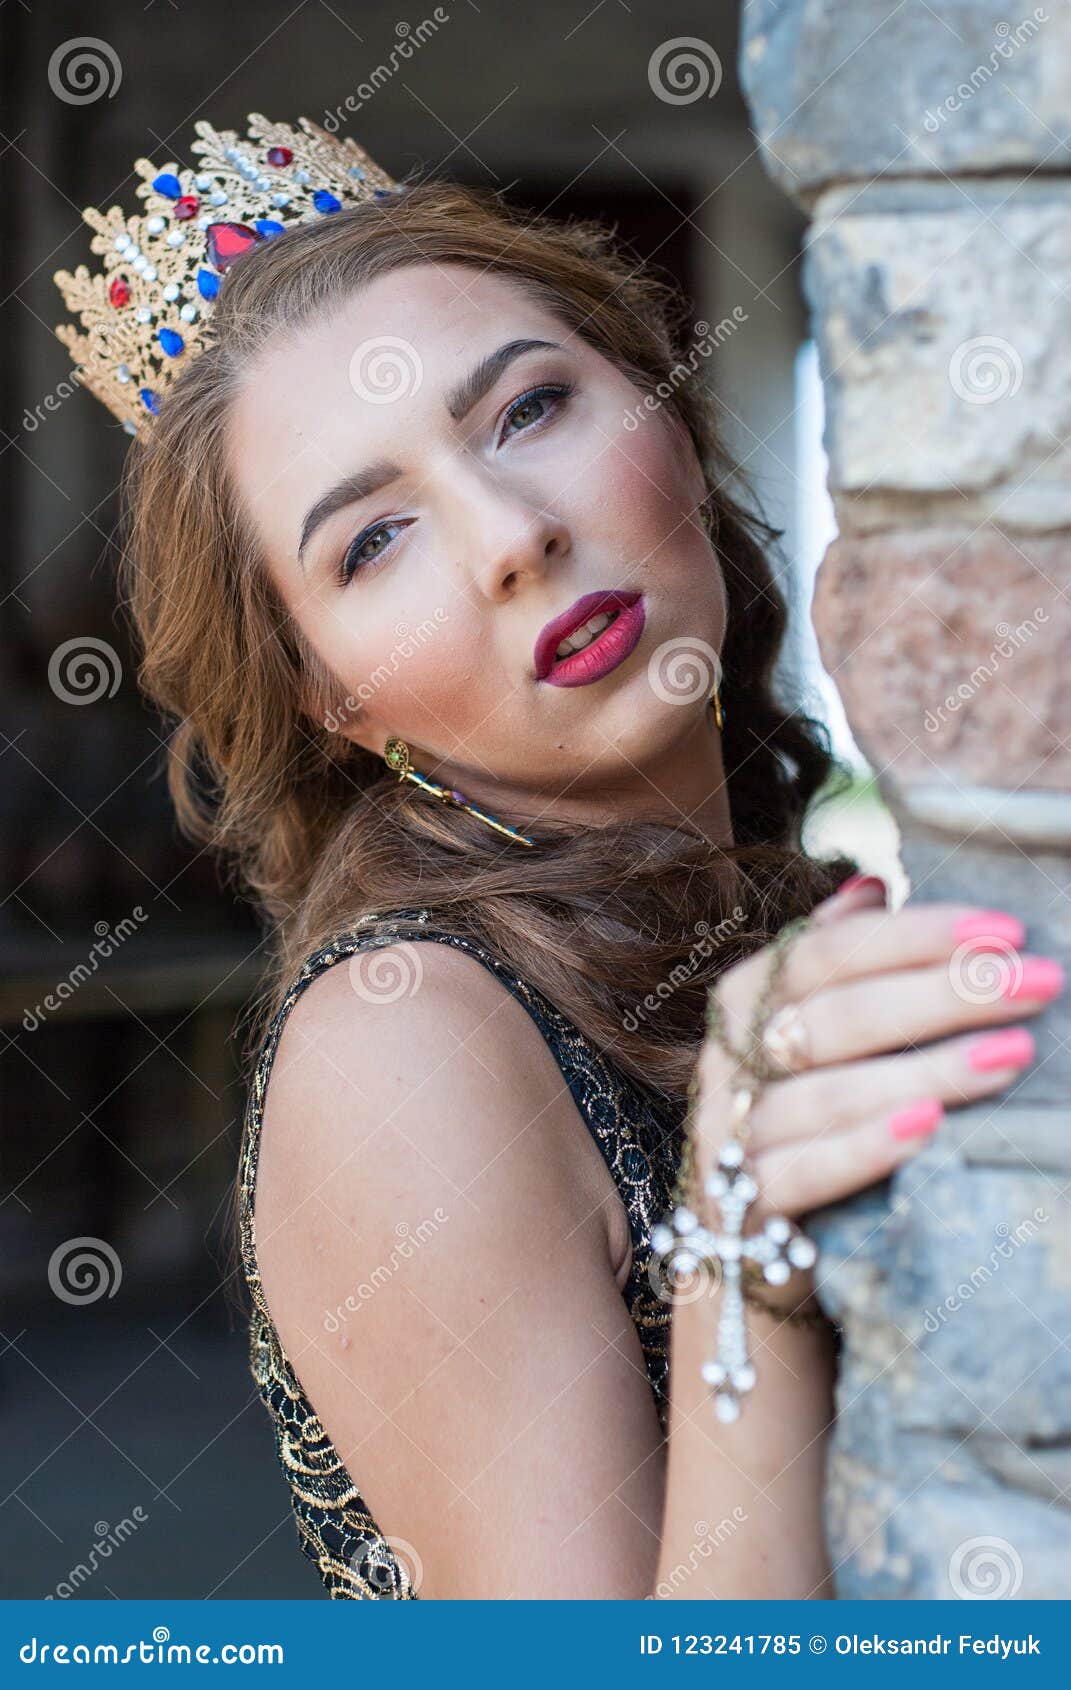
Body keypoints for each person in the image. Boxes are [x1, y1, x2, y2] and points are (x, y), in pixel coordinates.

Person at [54, 116, 1062, 1600]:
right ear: (326, 696)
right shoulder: (406, 1044)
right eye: (372, 540)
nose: (511, 536)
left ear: (663, 403)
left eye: (528, 410)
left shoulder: (769, 892)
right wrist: (741, 1254)